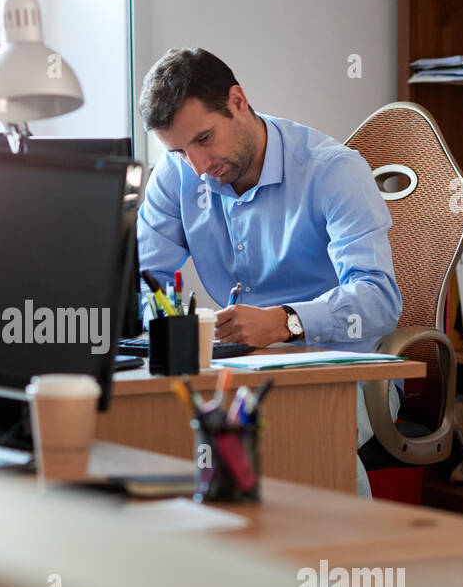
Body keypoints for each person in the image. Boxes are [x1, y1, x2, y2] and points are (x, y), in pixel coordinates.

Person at [136, 47, 402, 496]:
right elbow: (144, 281)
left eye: (204, 140)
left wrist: (285, 321)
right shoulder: (177, 174)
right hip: (238, 368)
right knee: (150, 428)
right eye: (180, 151)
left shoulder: (333, 172)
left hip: (343, 370)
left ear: (238, 101)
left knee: (287, 440)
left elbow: (378, 299)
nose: (198, 168)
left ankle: (341, 563)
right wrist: (166, 325)